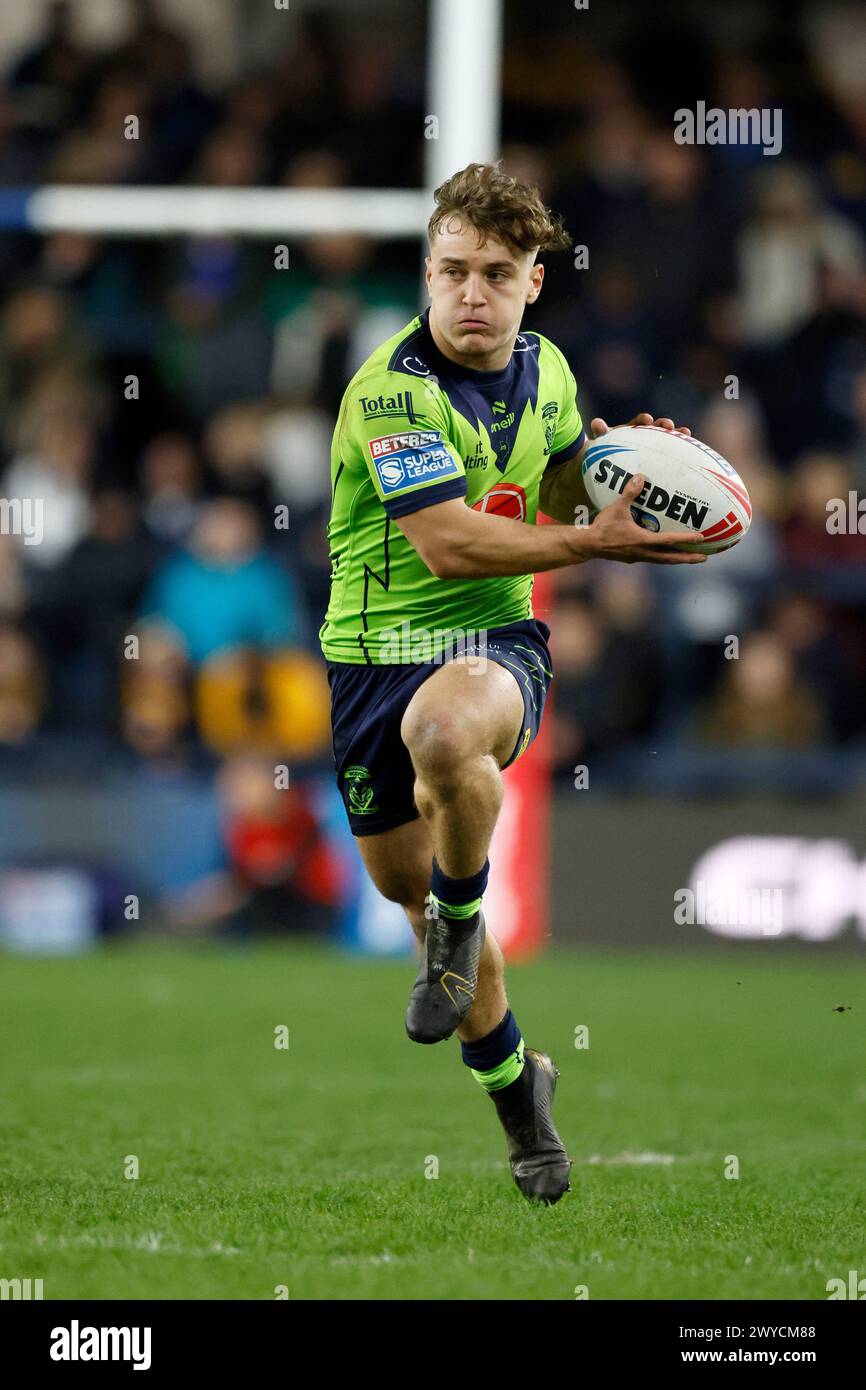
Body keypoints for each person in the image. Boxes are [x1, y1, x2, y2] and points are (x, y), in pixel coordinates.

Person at [319, 162, 704, 1204]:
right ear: (426, 275)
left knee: (448, 735)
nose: (471, 293)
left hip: (492, 646)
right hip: (367, 662)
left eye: (496, 272)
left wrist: (637, 471)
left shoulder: (551, 369)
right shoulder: (387, 391)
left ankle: (452, 920)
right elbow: (444, 542)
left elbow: (573, 472)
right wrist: (595, 541)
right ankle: (517, 1094)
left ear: (533, 280)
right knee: (409, 890)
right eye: (452, 271)